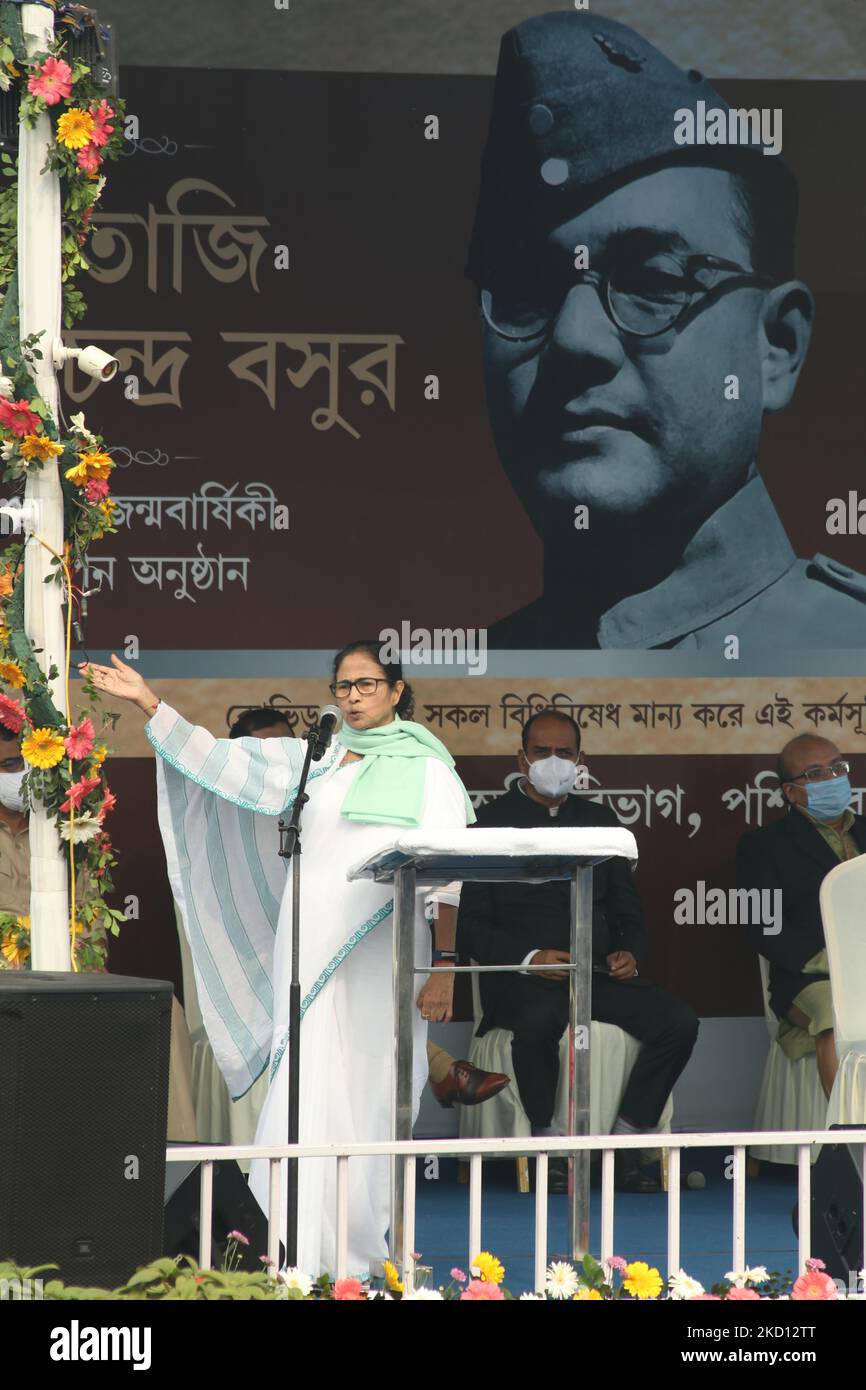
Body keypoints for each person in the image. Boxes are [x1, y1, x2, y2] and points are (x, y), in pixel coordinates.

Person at [467, 10, 866, 649]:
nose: (576, 339)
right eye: (527, 291)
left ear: (776, 348)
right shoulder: (424, 727)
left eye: (653, 282)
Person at [82, 641, 476, 1275]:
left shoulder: (427, 765)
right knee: (304, 1087)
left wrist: (447, 965)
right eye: (343, 685)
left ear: (397, 690)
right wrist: (149, 703)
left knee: (371, 1089)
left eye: (368, 684)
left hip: (387, 954)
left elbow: (448, 876)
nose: (353, 695)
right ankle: (287, 1248)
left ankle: (357, 1256)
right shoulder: (312, 759)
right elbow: (224, 764)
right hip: (309, 953)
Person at [457, 708, 699, 1191]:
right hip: (523, 981)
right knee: (538, 1022)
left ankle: (624, 1144)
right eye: (542, 752)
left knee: (677, 1021)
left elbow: (628, 911)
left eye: (564, 753)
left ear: (581, 759)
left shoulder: (599, 823)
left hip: (594, 977)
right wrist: (528, 960)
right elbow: (469, 925)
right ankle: (552, 1151)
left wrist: (628, 951)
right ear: (521, 758)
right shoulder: (487, 825)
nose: (553, 761)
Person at [738, 734, 865, 1099]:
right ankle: (849, 1135)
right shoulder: (763, 846)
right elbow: (762, 926)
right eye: (815, 773)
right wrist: (835, 964)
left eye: (837, 768)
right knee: (834, 1012)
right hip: (809, 979)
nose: (832, 779)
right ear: (791, 793)